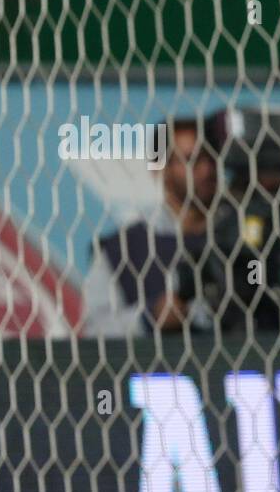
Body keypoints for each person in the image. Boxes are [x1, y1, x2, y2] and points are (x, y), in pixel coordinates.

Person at [81, 118, 216, 336]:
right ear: (160, 169)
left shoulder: (243, 237)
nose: (207, 170)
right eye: (192, 160)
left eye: (212, 159)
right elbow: (95, 328)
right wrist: (149, 317)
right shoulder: (124, 248)